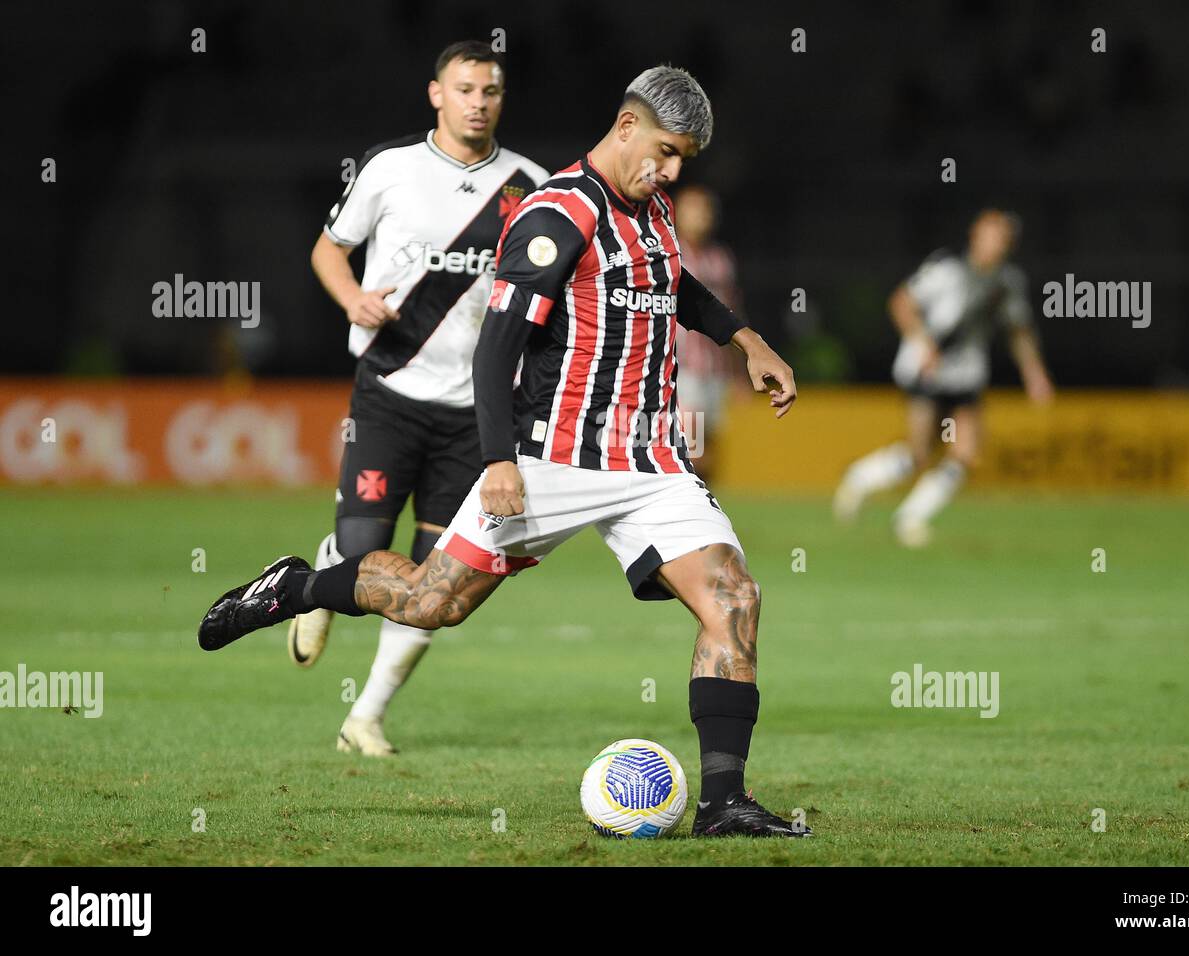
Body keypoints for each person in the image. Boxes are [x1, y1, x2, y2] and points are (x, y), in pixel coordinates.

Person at [200, 65, 809, 838]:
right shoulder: (557, 213)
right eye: (665, 150)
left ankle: (724, 804)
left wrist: (746, 339)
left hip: (650, 460)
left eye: (684, 158)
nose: (674, 171)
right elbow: (497, 348)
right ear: (626, 126)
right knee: (431, 600)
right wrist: (497, 461)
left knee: (736, 598)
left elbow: (674, 284)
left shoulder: (651, 208)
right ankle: (298, 587)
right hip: (549, 459)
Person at [294, 40, 549, 755]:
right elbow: (327, 248)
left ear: (502, 98)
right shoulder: (391, 168)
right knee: (362, 553)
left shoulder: (531, 186)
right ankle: (327, 566)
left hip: (476, 416)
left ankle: (365, 717)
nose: (478, 102)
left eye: (490, 91)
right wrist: (351, 299)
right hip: (390, 393)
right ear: (436, 94)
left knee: (436, 580)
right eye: (464, 89)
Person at [833, 209, 1053, 546]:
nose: (996, 243)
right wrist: (923, 343)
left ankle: (910, 518)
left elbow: (1019, 332)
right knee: (919, 455)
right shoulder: (946, 269)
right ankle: (861, 477)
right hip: (926, 371)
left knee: (965, 453)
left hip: (966, 376)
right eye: (991, 234)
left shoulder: (1007, 283)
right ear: (975, 236)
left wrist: (1034, 374)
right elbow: (902, 302)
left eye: (1003, 238)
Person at [672, 184, 744, 480]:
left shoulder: (720, 258)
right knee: (692, 448)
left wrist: (739, 370)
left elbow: (733, 314)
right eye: (693, 209)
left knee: (709, 447)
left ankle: (705, 511)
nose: (701, 216)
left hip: (715, 369)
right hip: (682, 369)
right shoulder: (669, 252)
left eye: (705, 209)